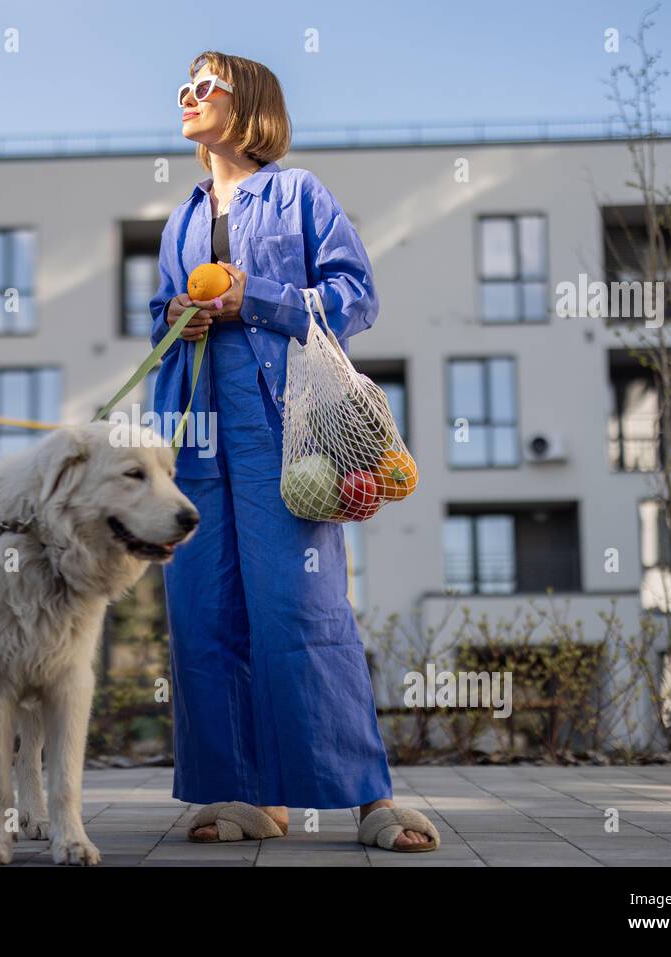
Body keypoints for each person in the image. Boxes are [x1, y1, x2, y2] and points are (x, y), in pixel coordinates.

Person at [148, 51, 439, 851]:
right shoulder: (178, 221)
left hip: (286, 435)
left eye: (205, 86)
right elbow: (158, 313)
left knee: (300, 608)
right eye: (183, 87)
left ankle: (369, 797)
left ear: (248, 104)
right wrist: (176, 315)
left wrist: (258, 298)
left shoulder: (299, 193)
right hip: (196, 436)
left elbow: (355, 297)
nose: (188, 96)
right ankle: (245, 795)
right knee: (203, 613)